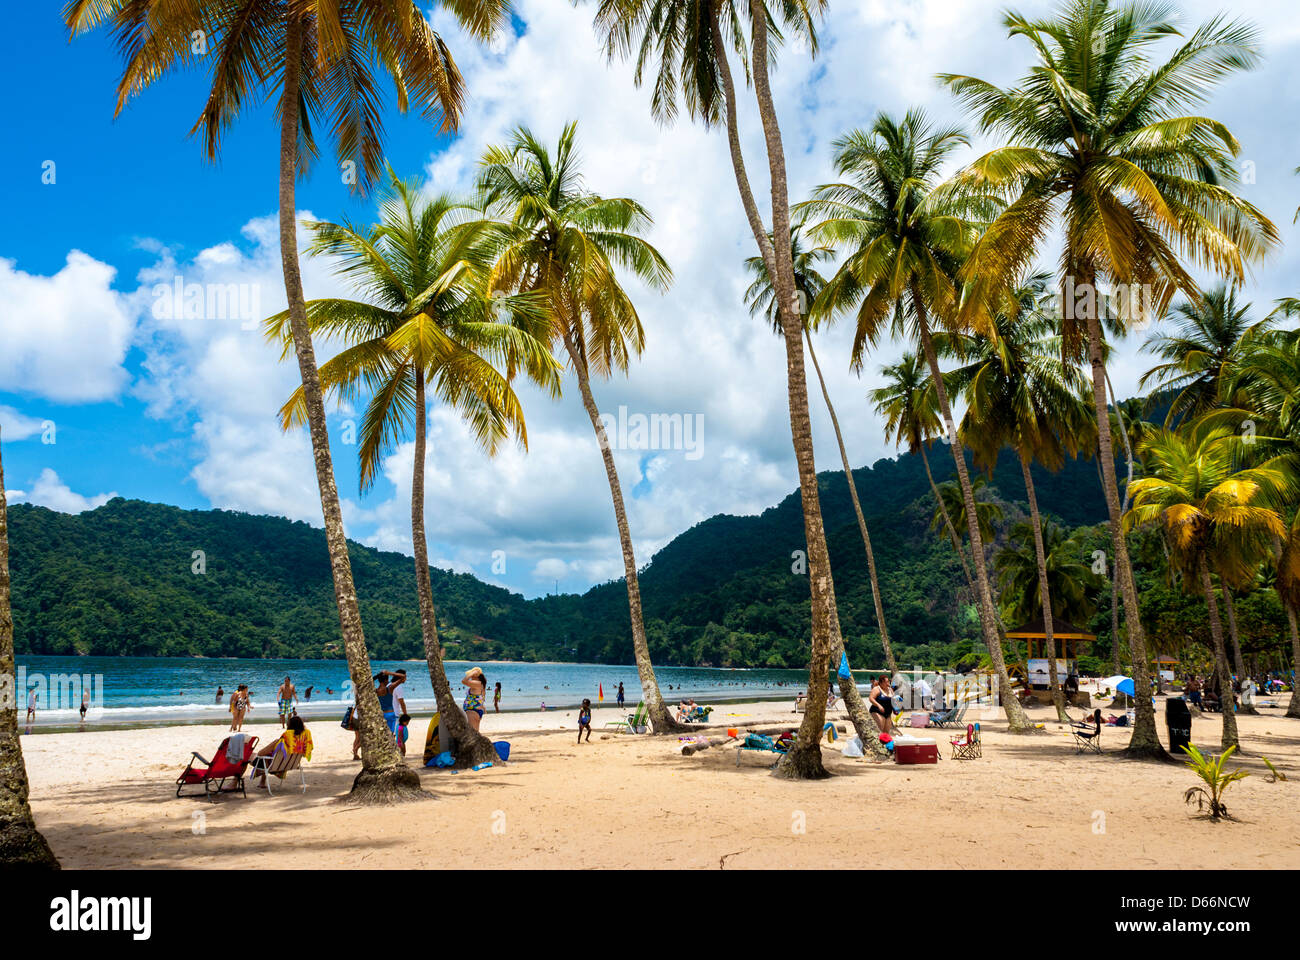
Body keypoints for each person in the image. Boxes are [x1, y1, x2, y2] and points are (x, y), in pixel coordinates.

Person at [251, 715, 313, 788]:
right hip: (289, 765)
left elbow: (260, 753)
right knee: (267, 757)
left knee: (250, 756)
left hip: (275, 767)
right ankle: (262, 782)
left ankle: (236, 781)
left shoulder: (284, 739)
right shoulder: (303, 741)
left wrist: (275, 742)